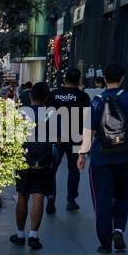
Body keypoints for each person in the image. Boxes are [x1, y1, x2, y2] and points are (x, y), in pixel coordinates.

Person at [77, 61, 128, 255]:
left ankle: (105, 242)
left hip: (101, 158)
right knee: (122, 194)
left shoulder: (97, 100)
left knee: (102, 199)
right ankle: (118, 230)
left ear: (104, 79)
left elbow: (88, 131)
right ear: (122, 78)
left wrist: (82, 154)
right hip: (123, 156)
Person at [10, 83, 56, 250]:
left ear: (30, 97)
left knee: (22, 194)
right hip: (44, 159)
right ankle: (33, 236)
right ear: (46, 98)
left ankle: (20, 234)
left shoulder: (21, 113)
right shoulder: (51, 114)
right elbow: (59, 138)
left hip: (24, 158)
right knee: (39, 194)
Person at [47, 68, 90, 213]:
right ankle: (71, 200)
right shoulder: (83, 97)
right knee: (74, 171)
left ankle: (51, 197)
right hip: (75, 140)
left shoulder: (54, 95)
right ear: (78, 80)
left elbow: (47, 117)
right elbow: (87, 121)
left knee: (52, 169)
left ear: (64, 79)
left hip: (56, 140)